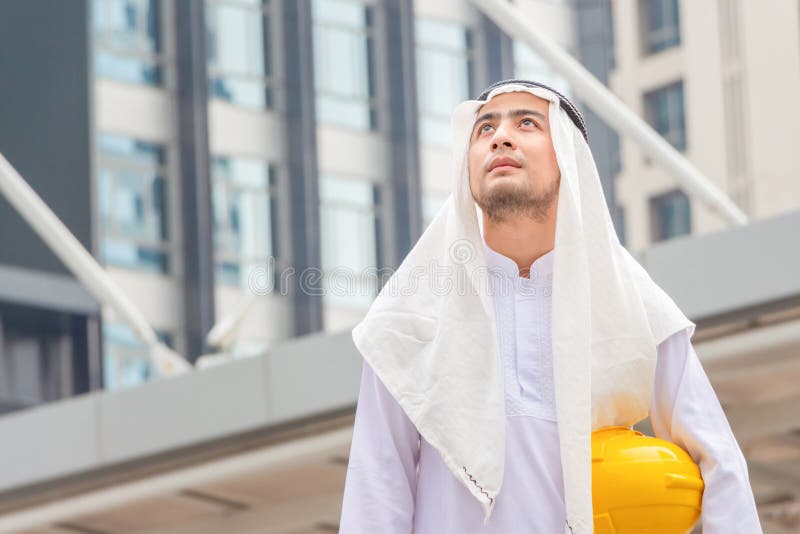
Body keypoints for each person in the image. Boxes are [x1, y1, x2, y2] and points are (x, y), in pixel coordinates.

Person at [338, 80, 762, 533]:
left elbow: (719, 465)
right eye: (484, 128)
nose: (500, 136)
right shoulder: (411, 314)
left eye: (526, 123)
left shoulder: (632, 303)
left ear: (568, 157)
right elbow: (376, 488)